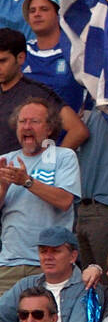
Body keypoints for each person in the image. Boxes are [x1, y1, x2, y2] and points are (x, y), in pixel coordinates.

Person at [0, 98, 80, 296]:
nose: (27, 126)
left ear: (50, 128)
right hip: (9, 263)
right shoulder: (5, 160)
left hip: (49, 265)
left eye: (34, 121)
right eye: (22, 121)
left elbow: (64, 201)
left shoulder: (64, 156)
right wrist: (3, 187)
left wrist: (27, 181)